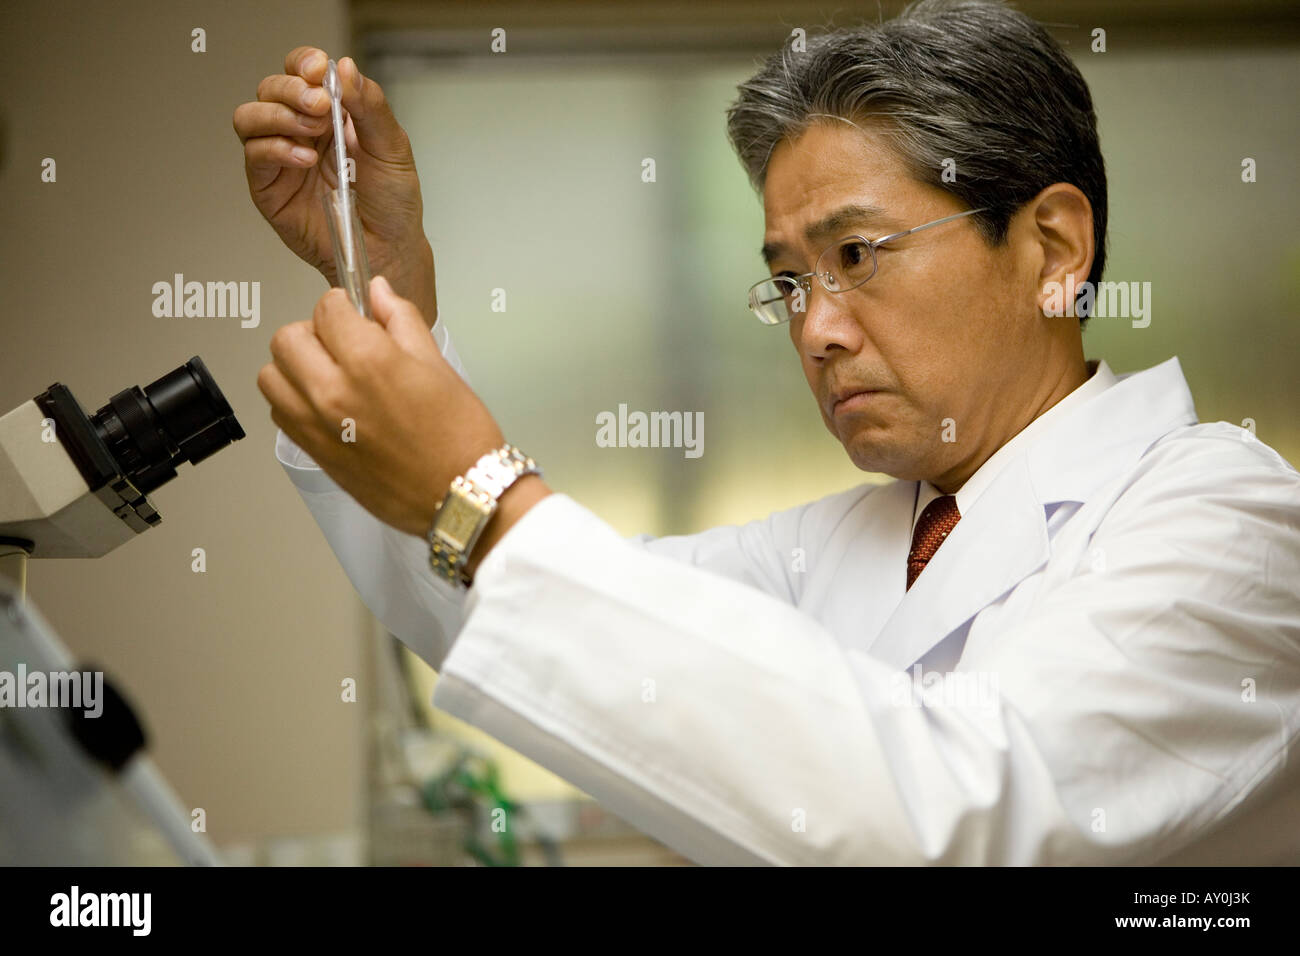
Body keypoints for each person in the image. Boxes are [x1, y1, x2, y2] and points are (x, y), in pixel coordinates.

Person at [233, 0, 1300, 864]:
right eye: (787, 280)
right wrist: (381, 300)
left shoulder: (1226, 516)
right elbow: (508, 607)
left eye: (857, 255)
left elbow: (968, 816)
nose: (817, 329)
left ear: (1054, 246)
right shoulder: (841, 543)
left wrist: (479, 483)